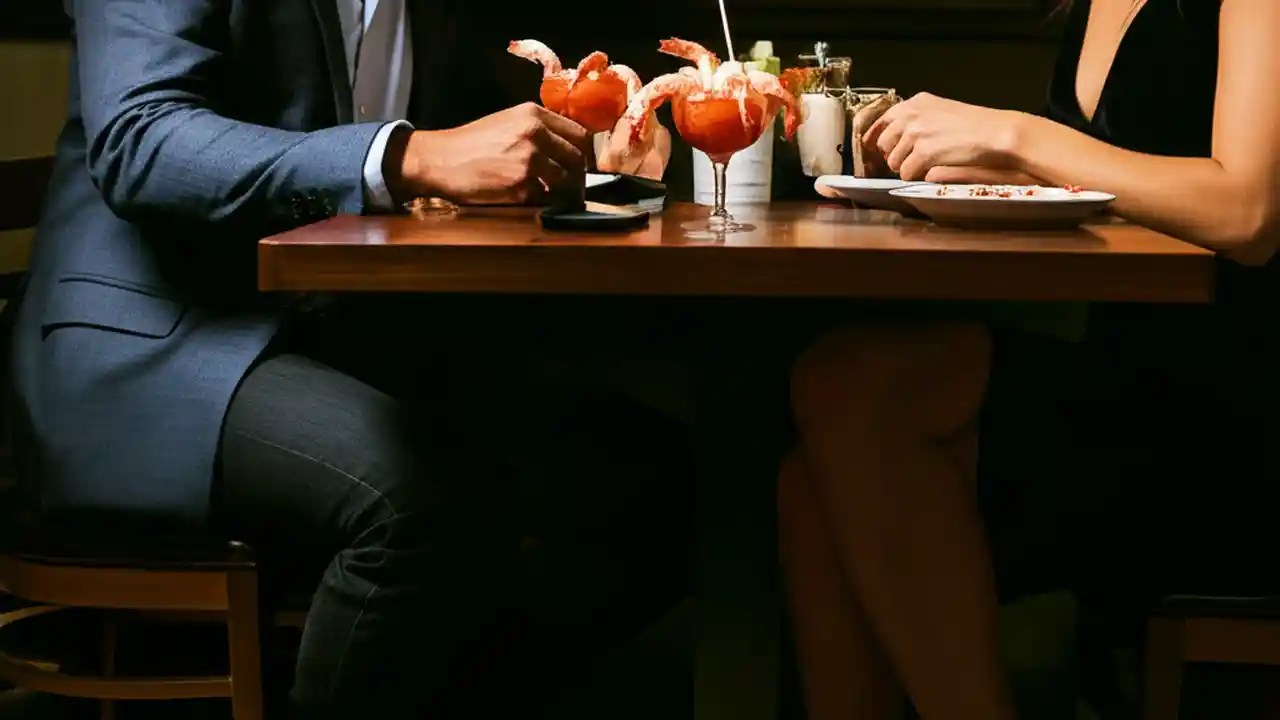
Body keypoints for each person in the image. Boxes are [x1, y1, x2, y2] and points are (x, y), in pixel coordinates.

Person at [8, 1, 697, 717]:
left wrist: (608, 179)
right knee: (425, 503)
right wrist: (408, 156)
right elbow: (142, 140)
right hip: (151, 347)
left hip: (346, 340)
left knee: (660, 483)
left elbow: (479, 153)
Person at [782, 0, 1280, 718]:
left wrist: (1014, 137)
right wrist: (963, 168)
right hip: (1125, 388)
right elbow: (1121, 186)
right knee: (817, 452)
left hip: (1229, 425)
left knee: (853, 392)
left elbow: (1248, 214)